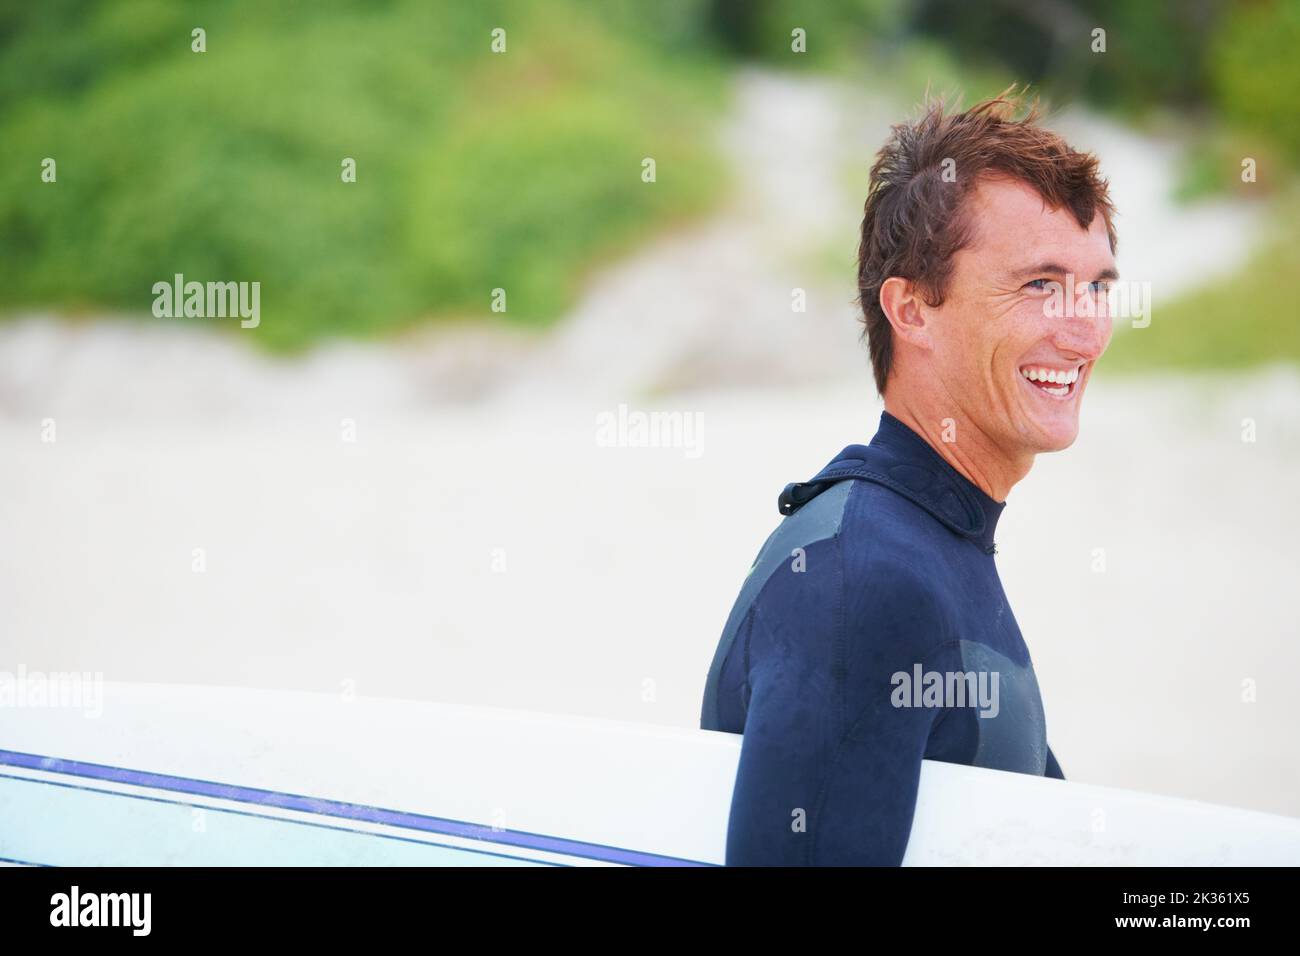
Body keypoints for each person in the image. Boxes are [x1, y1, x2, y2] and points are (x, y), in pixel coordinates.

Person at [699, 89, 1118, 865]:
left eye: (1097, 286)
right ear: (912, 309)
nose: (1086, 327)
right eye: (1039, 284)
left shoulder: (931, 548)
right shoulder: (864, 582)